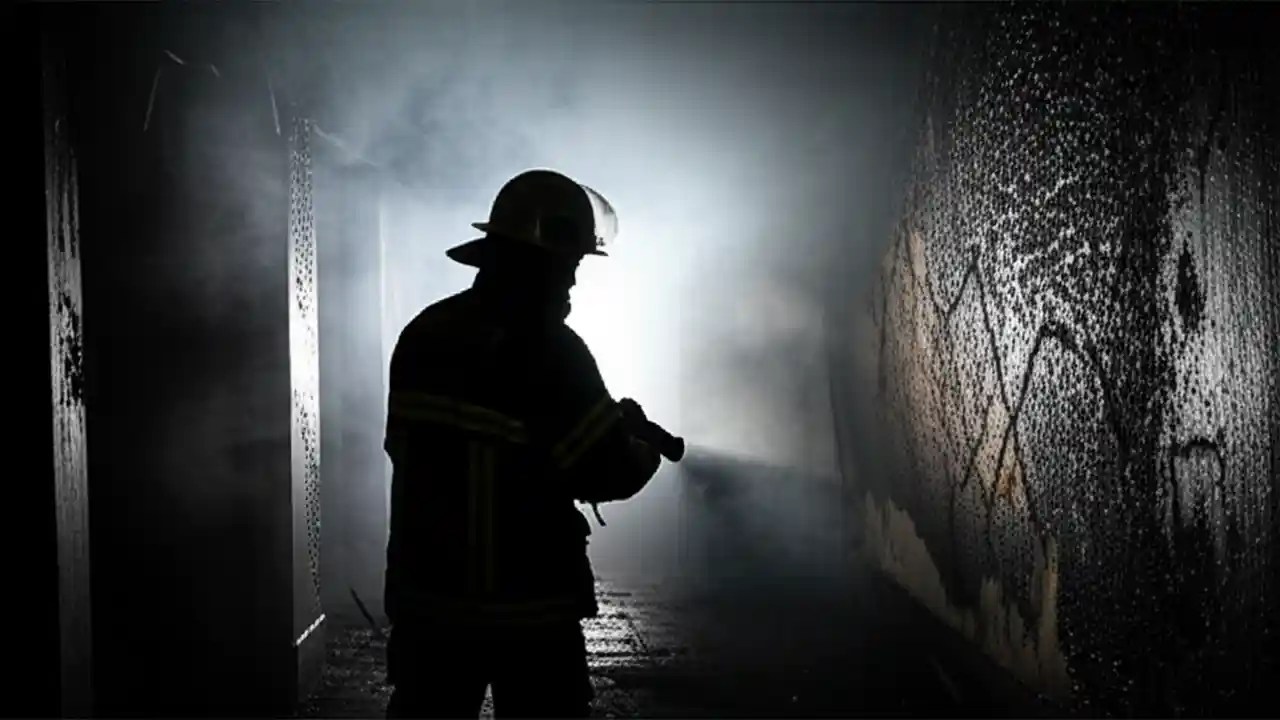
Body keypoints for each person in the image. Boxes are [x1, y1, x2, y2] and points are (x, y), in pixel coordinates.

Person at [382, 169, 665, 718]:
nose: (573, 283)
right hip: (529, 607)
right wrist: (637, 444)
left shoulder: (424, 335)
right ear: (540, 261)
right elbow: (605, 473)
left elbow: (411, 449)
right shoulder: (555, 352)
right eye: (571, 265)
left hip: (429, 601)